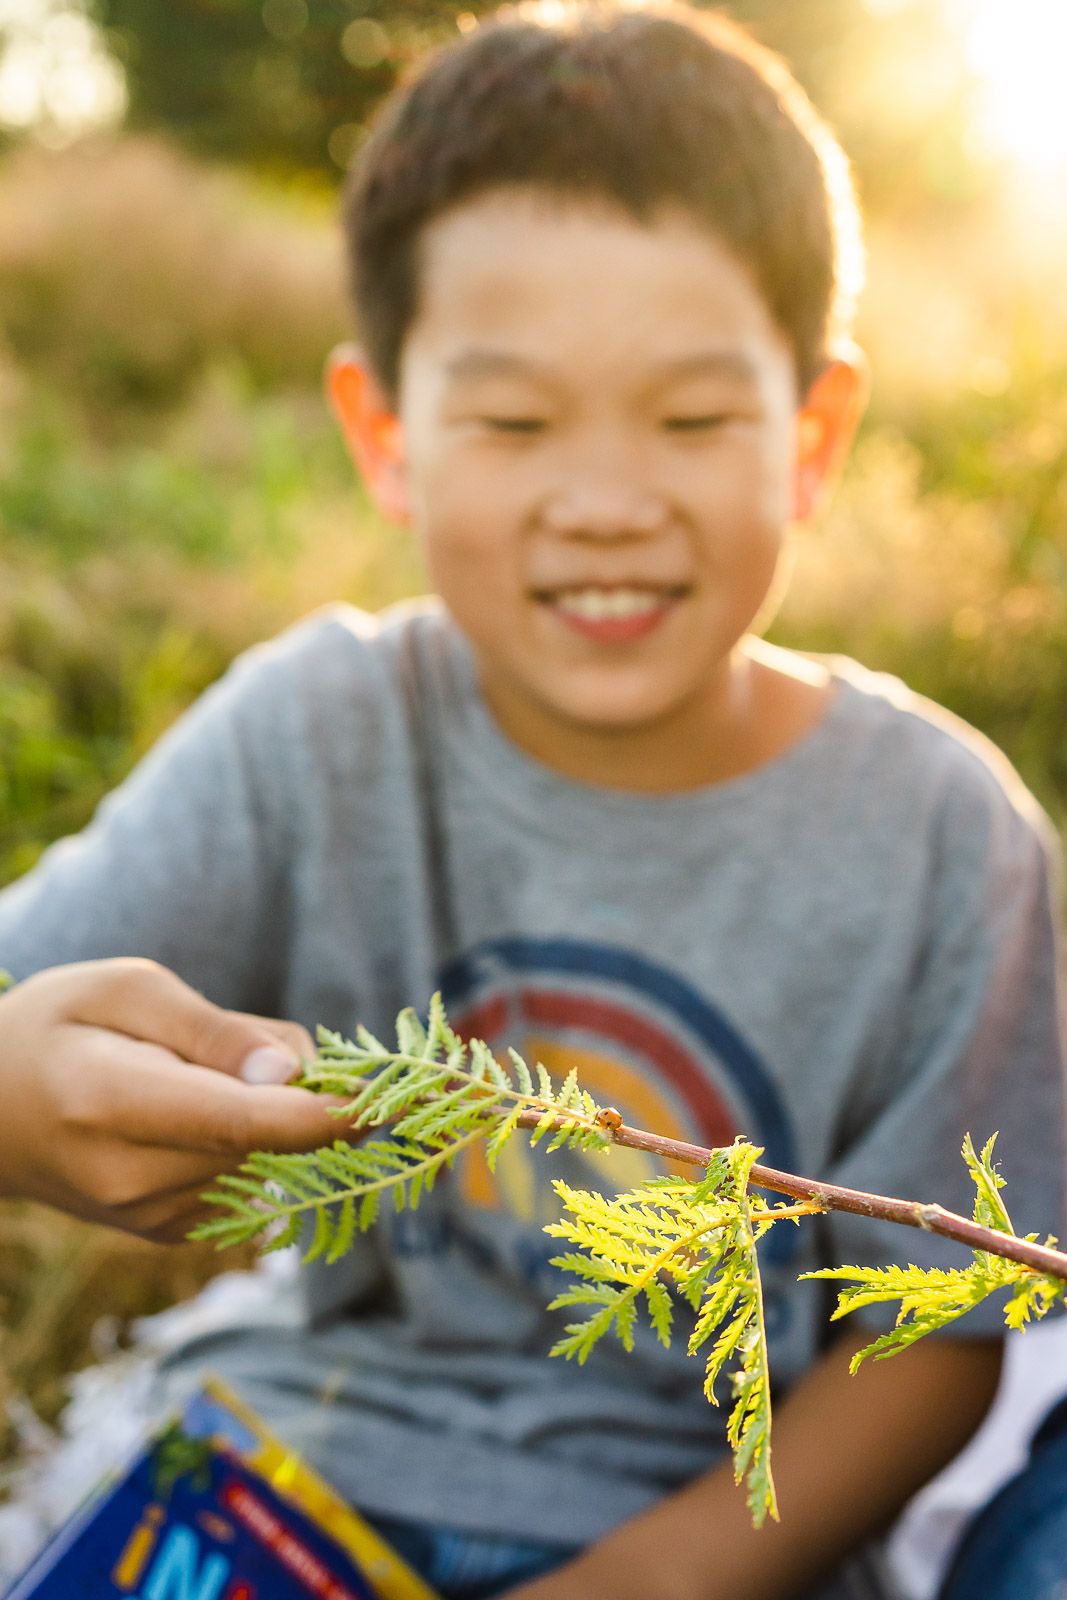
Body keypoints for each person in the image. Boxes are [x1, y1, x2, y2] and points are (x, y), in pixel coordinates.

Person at [0, 6, 1063, 1598]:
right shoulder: (317, 732)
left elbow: (937, 1339)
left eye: (693, 419)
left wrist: (640, 1585)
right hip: (296, 1473)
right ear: (385, 437)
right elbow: (21, 996)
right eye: (512, 421)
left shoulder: (945, 839)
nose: (607, 502)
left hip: (722, 1539)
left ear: (813, 435)